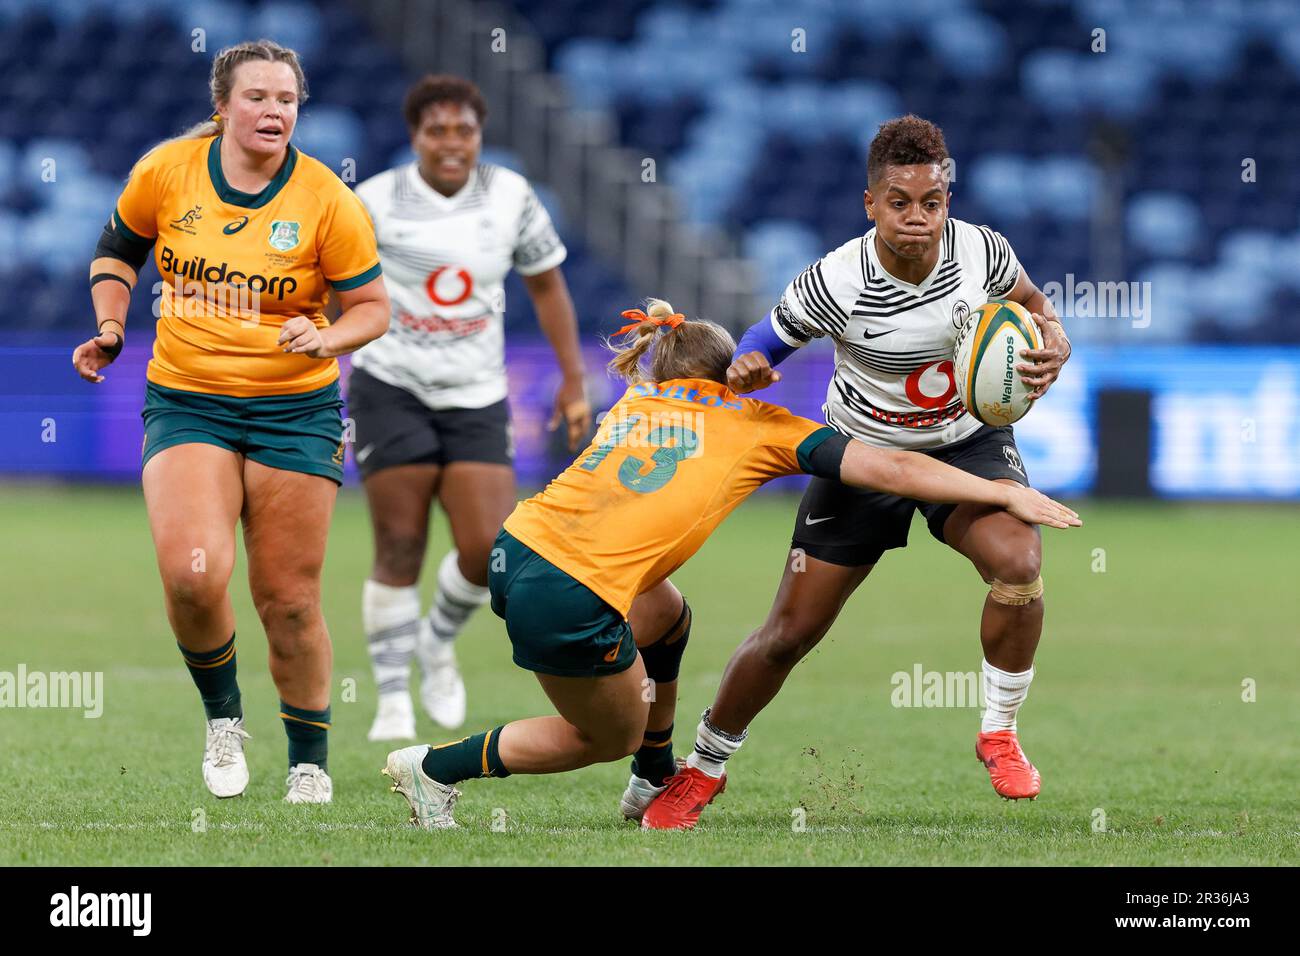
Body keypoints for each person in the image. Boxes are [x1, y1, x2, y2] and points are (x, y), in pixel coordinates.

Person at [376, 299, 1080, 830]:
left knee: (667, 615)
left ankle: (655, 770)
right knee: (599, 734)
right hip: (571, 591)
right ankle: (434, 769)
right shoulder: (758, 427)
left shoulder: (639, 395)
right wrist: (997, 488)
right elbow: (894, 466)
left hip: (519, 546)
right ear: (733, 377)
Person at [641, 115, 1074, 830]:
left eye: (931, 202)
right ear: (870, 203)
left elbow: (1032, 303)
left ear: (947, 199)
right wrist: (752, 364)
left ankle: (998, 731)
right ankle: (703, 768)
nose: (917, 218)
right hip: (863, 457)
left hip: (965, 444)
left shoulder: (984, 251)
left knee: (1020, 562)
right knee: (788, 633)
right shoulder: (836, 280)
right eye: (899, 202)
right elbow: (763, 340)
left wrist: (1053, 337)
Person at [71, 40, 389, 803]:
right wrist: (112, 327)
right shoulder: (167, 170)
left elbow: (373, 310)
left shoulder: (326, 199)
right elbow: (118, 251)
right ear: (222, 107)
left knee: (288, 599)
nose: (274, 110)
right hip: (188, 398)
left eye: (286, 99)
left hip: (296, 409)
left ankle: (308, 760)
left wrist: (328, 335)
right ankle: (223, 722)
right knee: (191, 575)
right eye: (257, 97)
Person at [348, 74, 591, 741]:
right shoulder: (375, 200)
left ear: (480, 135)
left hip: (477, 393)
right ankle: (393, 696)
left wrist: (573, 380)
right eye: (437, 131)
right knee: (399, 544)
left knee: (488, 550)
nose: (452, 143)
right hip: (390, 386)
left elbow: (547, 288)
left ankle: (435, 642)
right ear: (415, 136)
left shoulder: (511, 196)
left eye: (465, 130)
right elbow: (339, 286)